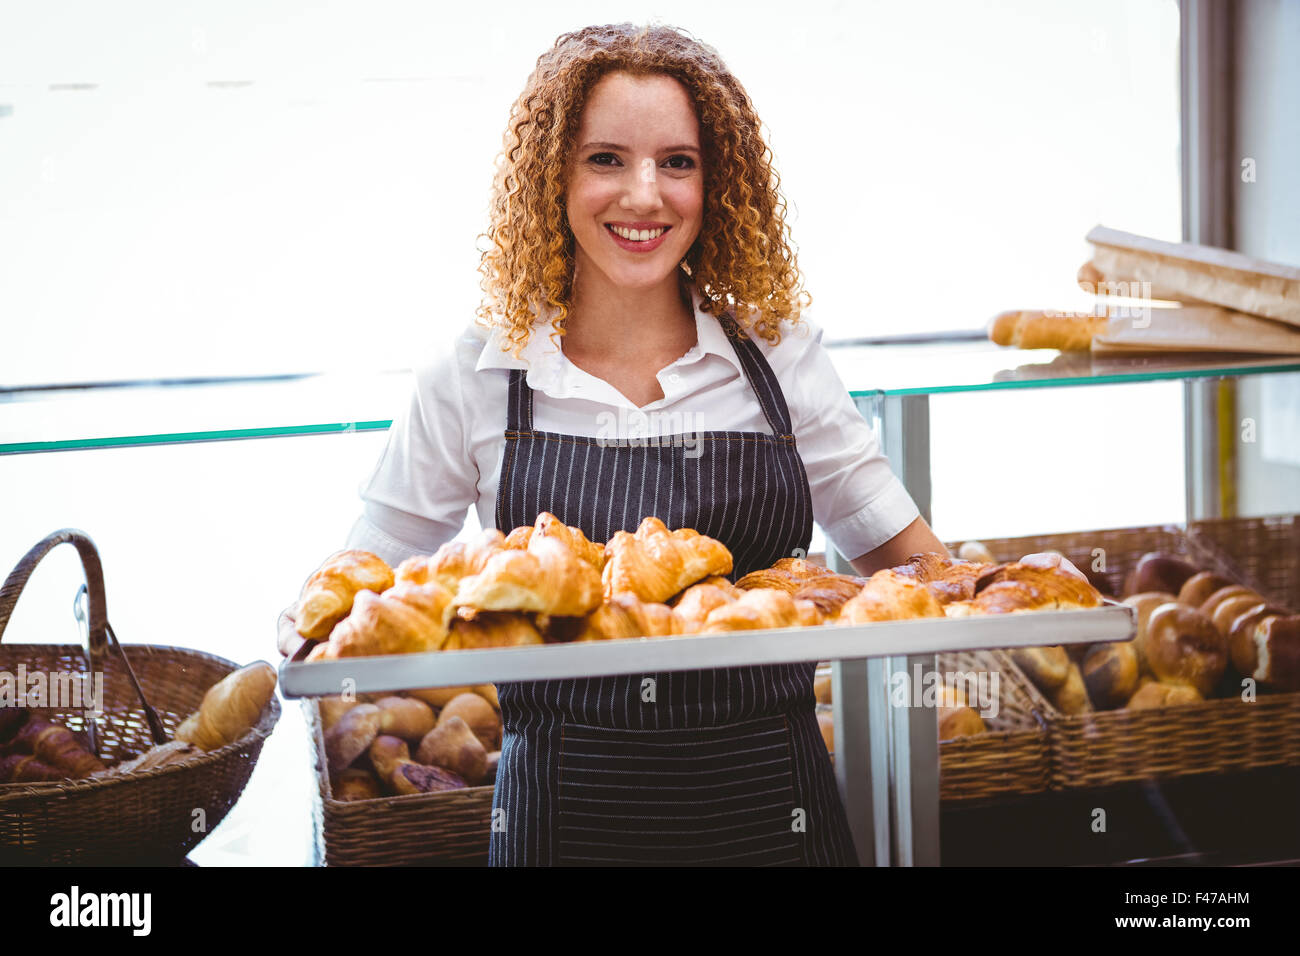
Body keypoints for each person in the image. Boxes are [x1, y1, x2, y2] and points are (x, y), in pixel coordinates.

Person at [283, 22, 1081, 866]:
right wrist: (306, 647)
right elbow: (359, 593)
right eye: (605, 159)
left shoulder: (777, 355)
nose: (644, 195)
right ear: (550, 175)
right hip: (563, 819)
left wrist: (1028, 607)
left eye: (677, 162)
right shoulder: (480, 372)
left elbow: (909, 561)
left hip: (778, 809)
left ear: (717, 180)